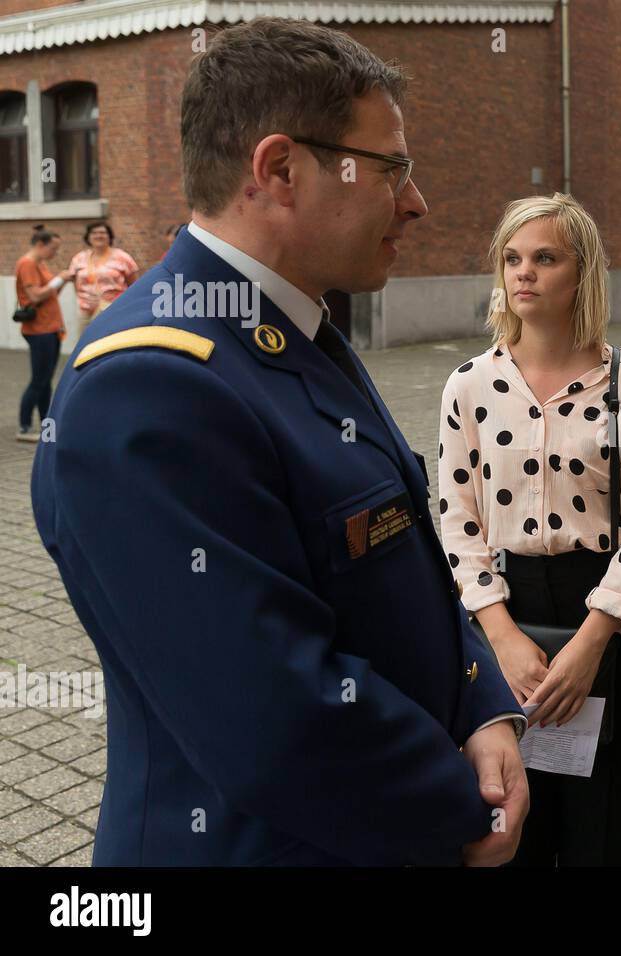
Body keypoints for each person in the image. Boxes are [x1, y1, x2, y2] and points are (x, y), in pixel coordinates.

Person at [30, 17, 527, 866]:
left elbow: (403, 563)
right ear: (281, 170)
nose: (415, 201)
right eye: (391, 168)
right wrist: (459, 809)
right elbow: (271, 716)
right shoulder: (146, 385)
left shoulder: (292, 327)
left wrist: (484, 707)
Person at [440, 193, 621, 866]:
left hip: (608, 612)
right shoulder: (468, 386)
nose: (524, 273)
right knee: (513, 814)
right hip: (504, 612)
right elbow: (457, 520)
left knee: (605, 819)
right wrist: (501, 636)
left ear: (582, 273)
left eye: (545, 258)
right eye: (512, 258)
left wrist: (592, 642)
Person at [15, 225, 71, 442]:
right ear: (40, 245)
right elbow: (36, 296)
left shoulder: (40, 263)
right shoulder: (27, 263)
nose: (55, 254)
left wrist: (62, 281)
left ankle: (46, 425)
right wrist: (60, 278)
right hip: (39, 330)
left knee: (46, 379)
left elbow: (50, 294)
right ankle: (24, 426)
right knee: (39, 380)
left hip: (50, 328)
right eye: (53, 249)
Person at [68, 220, 139, 324]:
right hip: (86, 312)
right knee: (87, 340)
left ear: (109, 236)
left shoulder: (122, 257)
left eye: (102, 233)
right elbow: (75, 283)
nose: (98, 236)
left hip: (114, 311)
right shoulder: (79, 258)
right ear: (88, 237)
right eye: (94, 233)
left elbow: (134, 285)